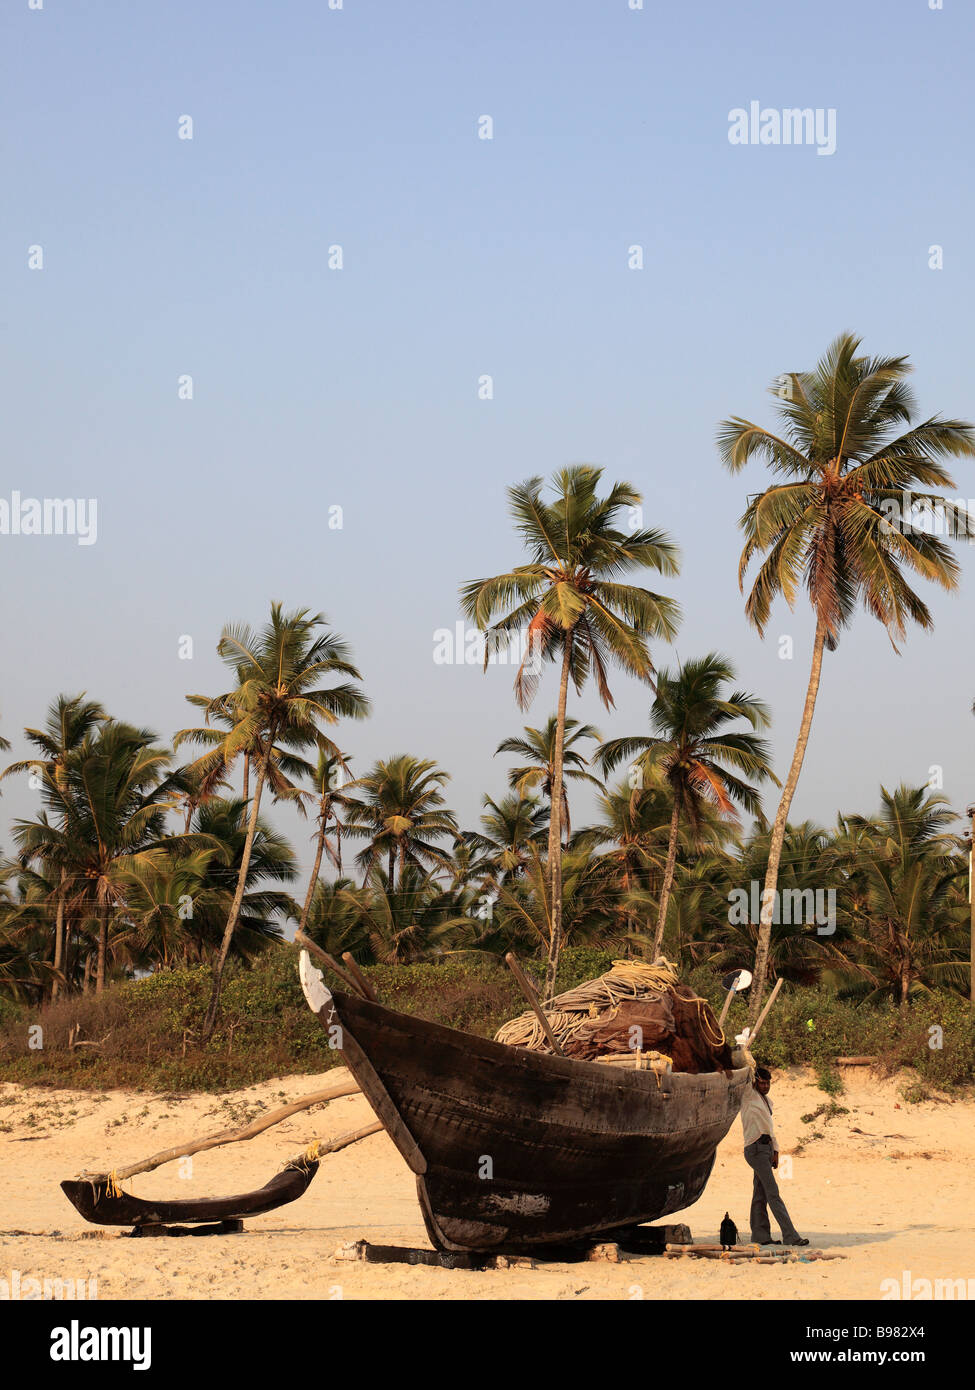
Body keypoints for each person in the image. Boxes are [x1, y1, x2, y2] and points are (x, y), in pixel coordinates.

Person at [740, 1065, 809, 1247]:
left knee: (760, 1194)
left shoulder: (767, 1102)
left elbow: (769, 1129)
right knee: (773, 1193)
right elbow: (745, 1071)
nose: (765, 1086)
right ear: (755, 1083)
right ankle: (791, 1236)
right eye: (761, 1083)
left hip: (766, 1149)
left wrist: (776, 1151)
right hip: (754, 1149)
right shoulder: (749, 1095)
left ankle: (760, 1236)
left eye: (767, 1083)